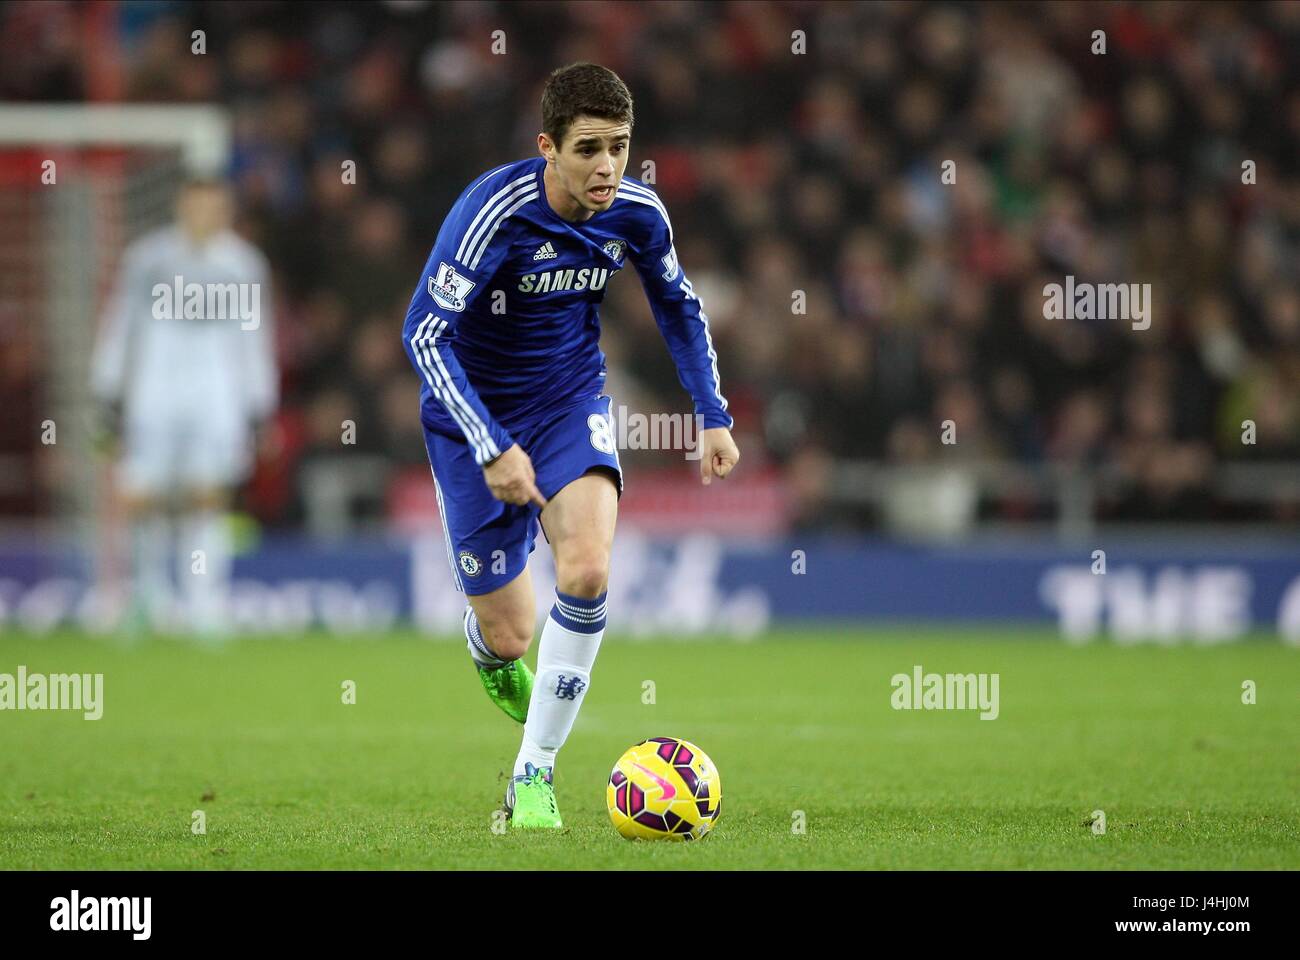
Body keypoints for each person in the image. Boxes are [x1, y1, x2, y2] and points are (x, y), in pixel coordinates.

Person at [401, 62, 739, 828]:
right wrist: (489, 442)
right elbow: (423, 333)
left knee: (586, 569)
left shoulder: (637, 213)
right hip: (471, 417)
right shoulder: (493, 211)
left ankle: (533, 776)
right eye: (589, 149)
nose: (608, 167)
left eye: (619, 146)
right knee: (511, 631)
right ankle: (488, 650)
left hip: (567, 404)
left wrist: (711, 413)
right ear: (548, 146)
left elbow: (679, 307)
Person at [91, 177, 276, 639]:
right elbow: (121, 324)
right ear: (181, 206)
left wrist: (260, 402)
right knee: (143, 497)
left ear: (226, 210)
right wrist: (108, 387)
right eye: (197, 205)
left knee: (207, 496)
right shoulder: (148, 258)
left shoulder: (242, 263)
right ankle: (146, 599)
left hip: (216, 392)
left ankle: (204, 606)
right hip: (155, 388)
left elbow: (254, 337)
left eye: (214, 206)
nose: (205, 215)